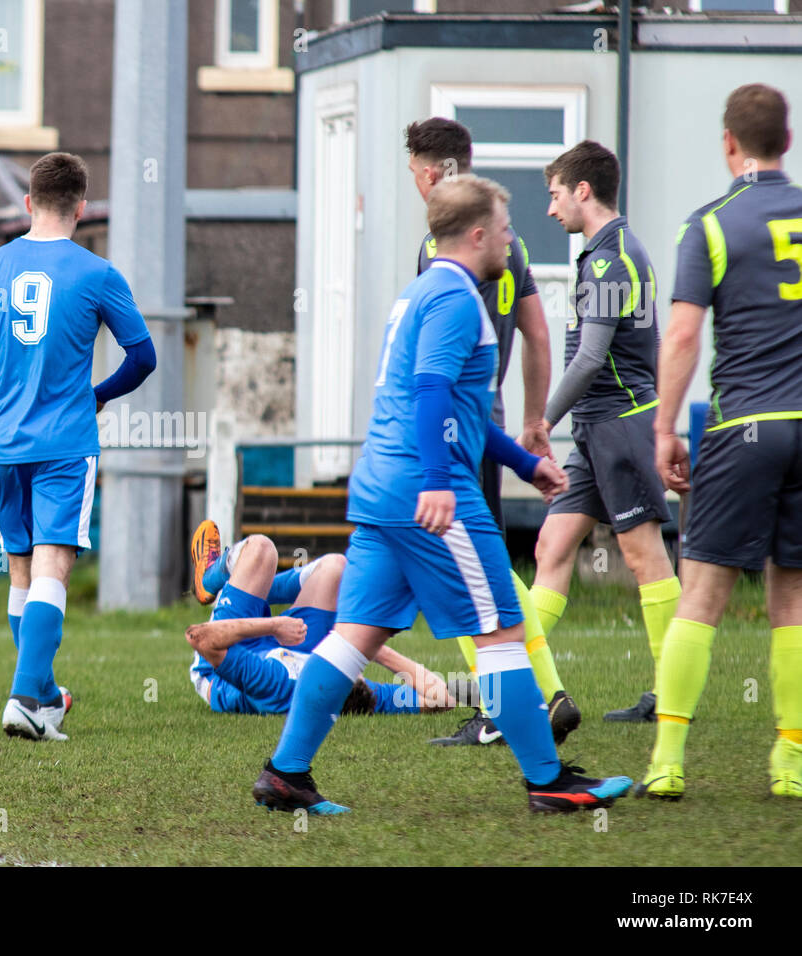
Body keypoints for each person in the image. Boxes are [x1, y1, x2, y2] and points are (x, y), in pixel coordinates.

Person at [248, 176, 631, 815]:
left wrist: (522, 462)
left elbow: (459, 408)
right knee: (503, 633)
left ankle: (286, 773)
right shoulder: (456, 300)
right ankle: (549, 782)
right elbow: (430, 391)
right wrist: (434, 481)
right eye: (506, 227)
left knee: (353, 637)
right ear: (478, 234)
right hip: (428, 494)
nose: (513, 238)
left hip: (381, 490)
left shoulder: (423, 292)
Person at [0, 151, 157, 741]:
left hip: (5, 444)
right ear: (82, 208)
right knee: (54, 566)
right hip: (65, 443)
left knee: (22, 574)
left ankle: (45, 695)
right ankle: (25, 697)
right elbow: (144, 358)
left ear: (27, 203)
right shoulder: (97, 273)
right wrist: (98, 395)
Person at [639, 84, 802, 800]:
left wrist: (664, 426)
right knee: (793, 597)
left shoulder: (709, 224)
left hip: (744, 427)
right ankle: (789, 763)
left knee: (701, 591)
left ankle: (668, 761)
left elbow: (681, 334)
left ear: (728, 143)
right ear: (788, 143)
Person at [404, 118, 578, 746]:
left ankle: (510, 707)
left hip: (455, 431)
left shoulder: (443, 250)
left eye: (415, 176)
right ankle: (547, 693)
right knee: (492, 569)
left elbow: (430, 375)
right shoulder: (515, 243)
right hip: (492, 419)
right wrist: (534, 420)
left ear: (431, 174)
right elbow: (538, 333)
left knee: (460, 576)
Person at [532, 140, 680, 724]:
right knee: (551, 546)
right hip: (600, 427)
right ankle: (516, 677)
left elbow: (592, 357)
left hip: (617, 423)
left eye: (555, 194)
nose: (551, 209)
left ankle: (672, 692)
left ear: (583, 191)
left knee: (643, 556)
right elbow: (655, 343)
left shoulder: (610, 257)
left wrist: (543, 421)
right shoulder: (613, 250)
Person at [187, 524, 464, 716]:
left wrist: (272, 625)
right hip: (296, 647)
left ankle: (213, 577)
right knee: (335, 567)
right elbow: (443, 698)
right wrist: (374, 650)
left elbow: (201, 639)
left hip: (223, 660)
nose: (357, 666)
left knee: (261, 549)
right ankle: (247, 584)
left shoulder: (277, 683)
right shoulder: (359, 694)